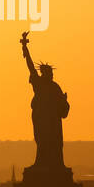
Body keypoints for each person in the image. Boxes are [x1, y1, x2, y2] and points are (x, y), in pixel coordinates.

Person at [21, 32, 69, 167]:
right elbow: (30, 66)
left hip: (53, 122)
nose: (52, 75)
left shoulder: (55, 87)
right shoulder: (39, 83)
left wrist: (64, 101)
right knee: (42, 142)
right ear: (45, 73)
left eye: (52, 73)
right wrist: (25, 47)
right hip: (42, 120)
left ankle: (54, 165)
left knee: (55, 143)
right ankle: (42, 164)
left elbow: (62, 109)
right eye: (50, 73)